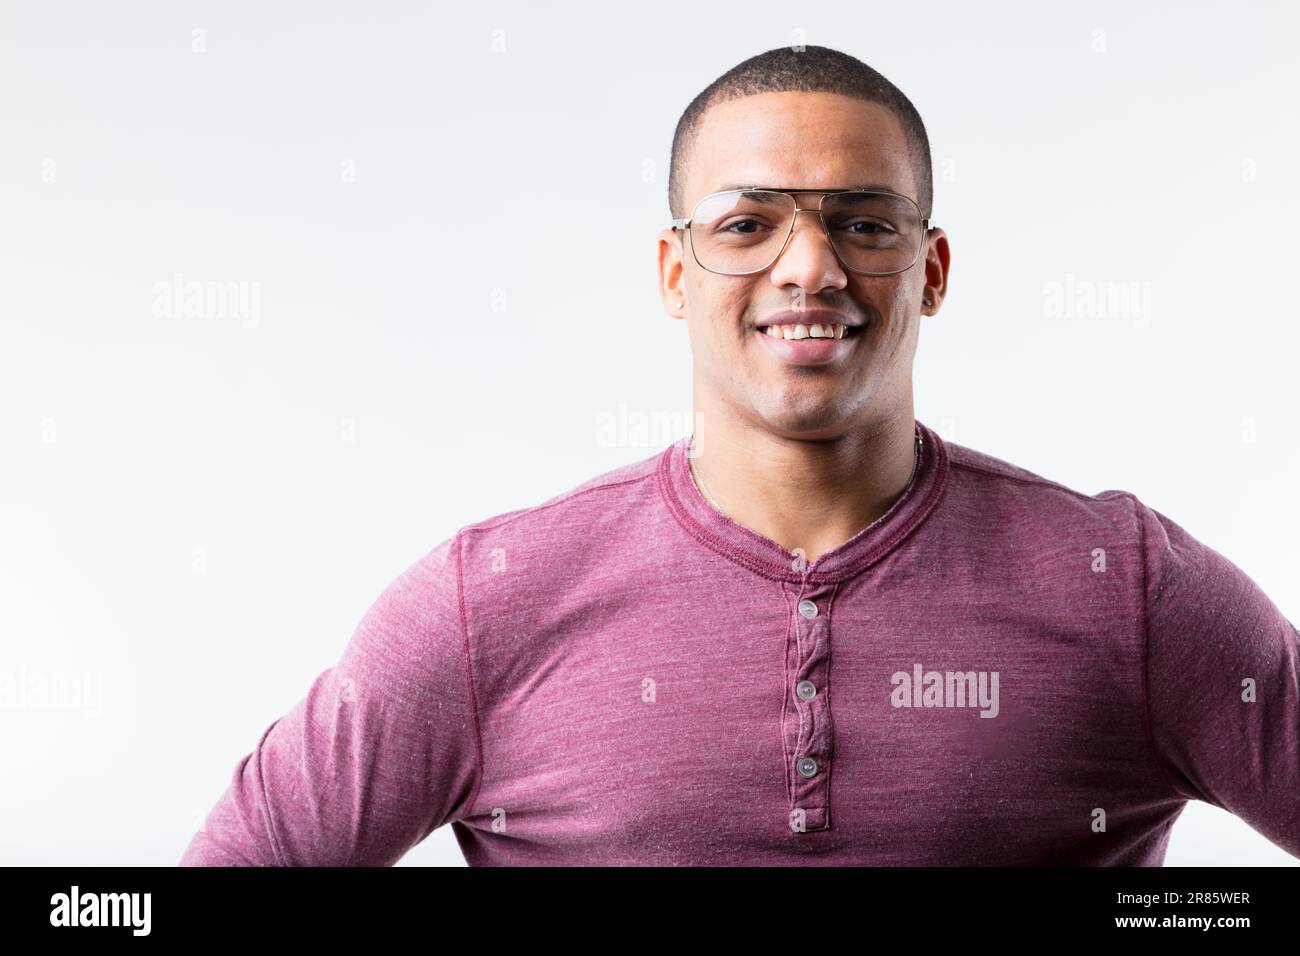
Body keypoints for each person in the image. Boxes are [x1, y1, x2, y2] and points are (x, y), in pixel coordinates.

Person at [181, 44, 1299, 866]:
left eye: (864, 221)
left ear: (933, 268)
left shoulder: (1131, 591)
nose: (808, 265)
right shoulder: (489, 603)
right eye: (746, 221)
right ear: (675, 273)